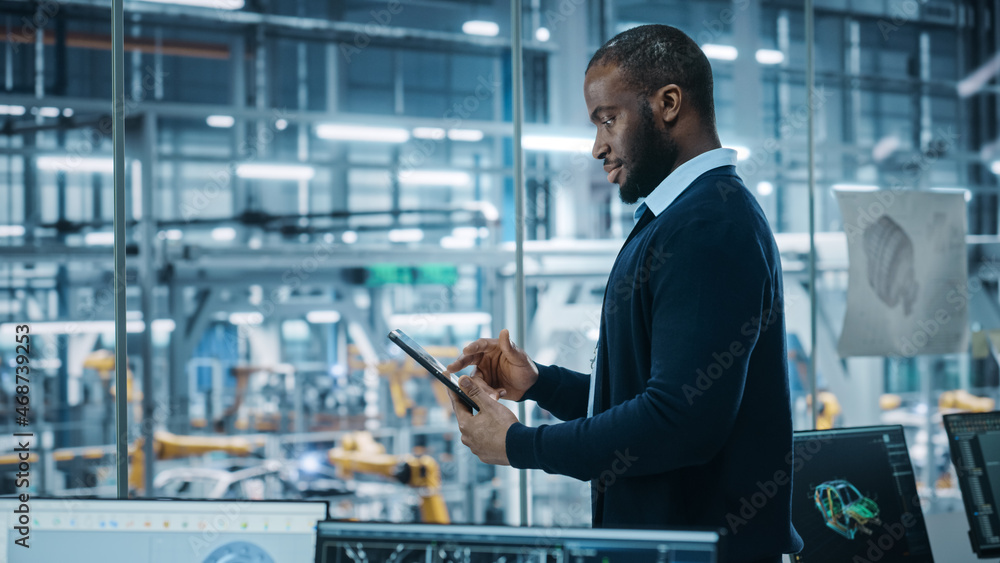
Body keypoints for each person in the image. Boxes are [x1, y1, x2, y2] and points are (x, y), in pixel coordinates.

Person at [445, 24, 803, 563]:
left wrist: (522, 446)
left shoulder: (708, 225)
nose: (597, 147)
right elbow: (660, 391)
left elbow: (678, 421)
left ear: (668, 104)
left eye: (607, 119)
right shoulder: (683, 218)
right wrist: (542, 384)